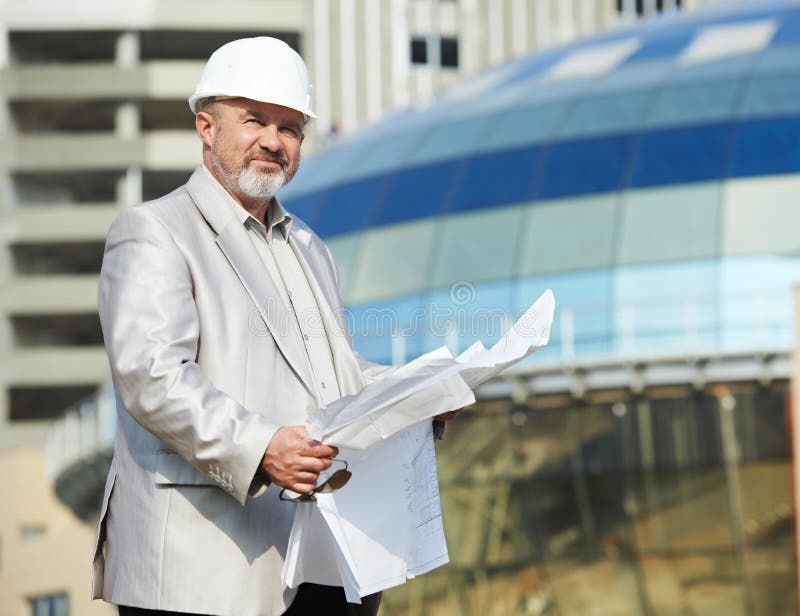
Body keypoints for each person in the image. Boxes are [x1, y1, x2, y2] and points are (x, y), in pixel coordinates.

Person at [91, 37, 459, 616]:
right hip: (200, 566)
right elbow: (152, 377)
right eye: (254, 120)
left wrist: (411, 396)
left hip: (318, 558)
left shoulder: (309, 245)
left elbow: (332, 372)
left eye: (289, 128)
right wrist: (262, 448)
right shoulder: (153, 232)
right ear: (206, 127)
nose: (272, 140)